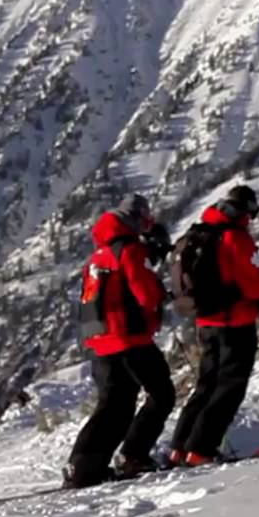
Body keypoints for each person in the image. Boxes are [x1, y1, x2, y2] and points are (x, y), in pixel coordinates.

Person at [65, 194, 176, 488]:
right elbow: (146, 295)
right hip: (129, 338)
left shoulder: (98, 255)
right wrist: (160, 290)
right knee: (162, 395)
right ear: (137, 219)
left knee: (113, 405)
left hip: (101, 341)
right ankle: (133, 456)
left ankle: (83, 466)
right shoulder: (129, 250)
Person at [168, 185, 259, 467]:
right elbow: (254, 286)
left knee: (206, 385)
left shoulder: (197, 234)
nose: (252, 219)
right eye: (252, 213)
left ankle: (179, 448)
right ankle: (201, 450)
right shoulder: (235, 238)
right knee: (230, 386)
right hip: (235, 322)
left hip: (205, 321)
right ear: (246, 210)